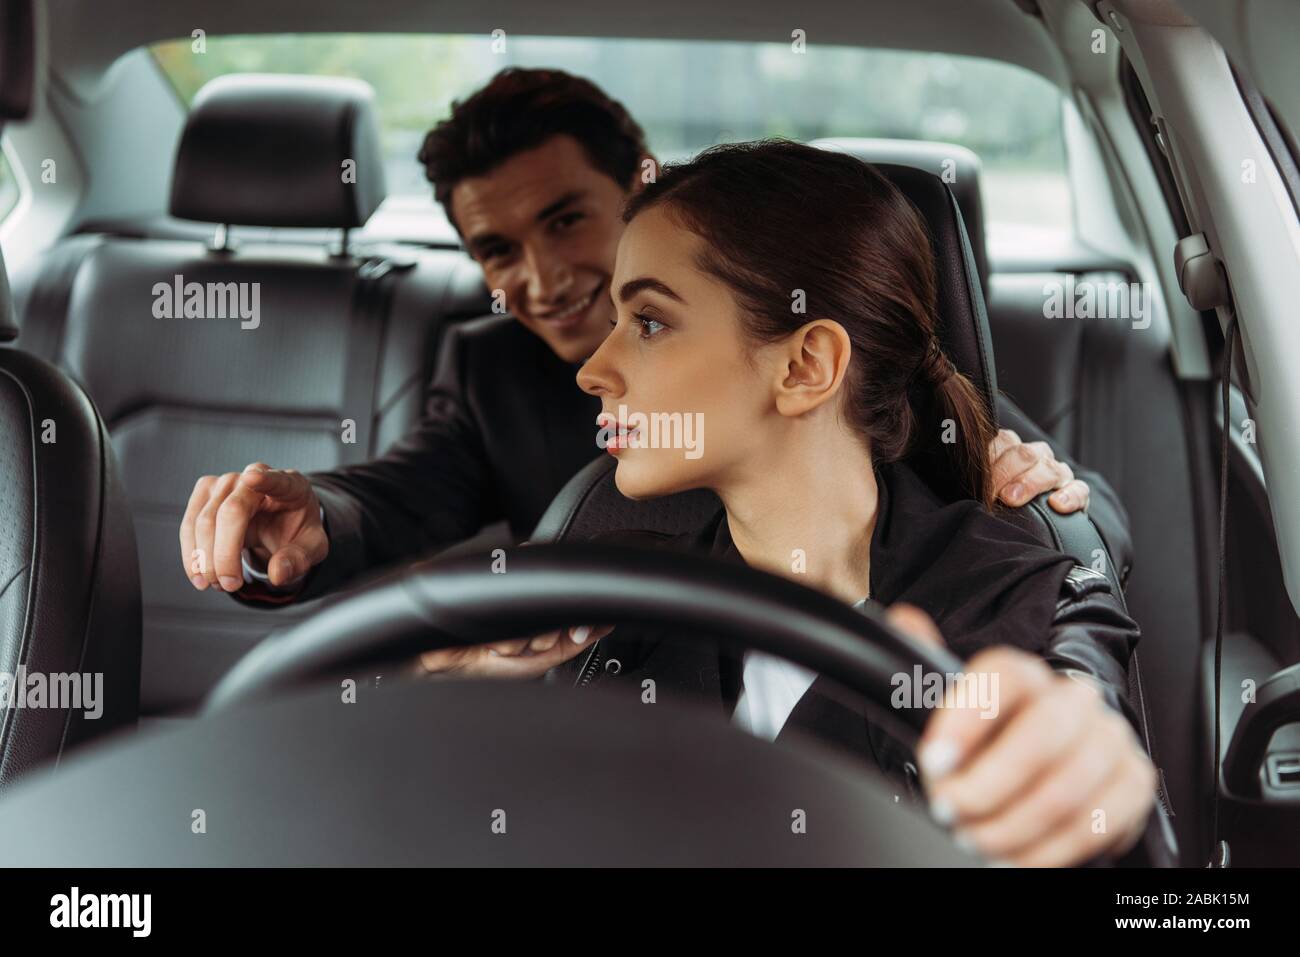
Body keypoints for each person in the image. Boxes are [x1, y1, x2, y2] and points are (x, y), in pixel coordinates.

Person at [179, 69, 1131, 649]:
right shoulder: (490, 374)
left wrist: (1039, 487)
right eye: (498, 253)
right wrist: (311, 520)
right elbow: (392, 501)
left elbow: (1081, 539)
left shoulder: (863, 380)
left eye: (565, 222)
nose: (543, 279)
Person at [423, 140, 1159, 867]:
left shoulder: (1032, 607)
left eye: (648, 322)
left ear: (806, 366)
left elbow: (1100, 769)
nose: (593, 370)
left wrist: (1093, 791)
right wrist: (441, 692)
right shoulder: (614, 607)